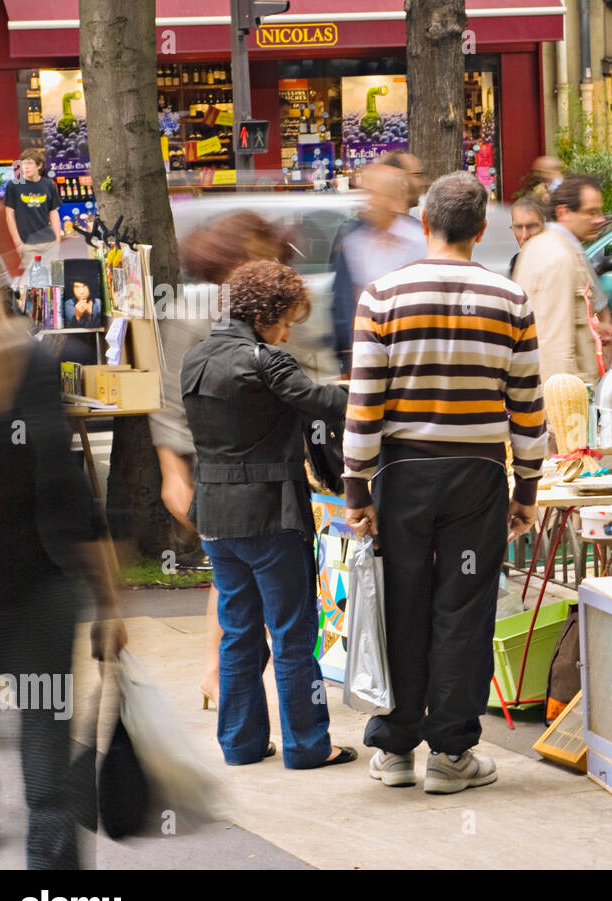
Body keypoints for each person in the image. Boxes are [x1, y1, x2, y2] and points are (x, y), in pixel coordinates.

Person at [342, 172, 548, 794]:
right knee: (464, 608)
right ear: (482, 231)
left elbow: (364, 404)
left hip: (402, 474)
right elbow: (528, 405)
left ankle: (397, 748)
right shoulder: (509, 299)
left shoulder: (380, 296)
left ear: (425, 222)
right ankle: (452, 756)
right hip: (478, 475)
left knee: (400, 604)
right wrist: (528, 491)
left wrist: (357, 491)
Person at [0, 203, 125, 864]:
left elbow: (67, 487)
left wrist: (109, 598)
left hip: (37, 591)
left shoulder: (32, 359)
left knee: (51, 782)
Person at [181, 260, 355, 770]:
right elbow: (325, 403)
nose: (288, 332)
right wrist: (372, 390)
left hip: (214, 515)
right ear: (266, 314)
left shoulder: (195, 358)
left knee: (238, 632)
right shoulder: (265, 362)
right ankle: (307, 746)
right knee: (293, 635)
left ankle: (241, 744)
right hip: (271, 517)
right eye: (287, 321)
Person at [156, 210, 296, 711]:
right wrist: (173, 473)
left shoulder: (274, 310)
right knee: (236, 576)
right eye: (252, 255)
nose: (263, 264)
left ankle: (226, 676)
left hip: (266, 466)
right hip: (217, 465)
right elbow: (170, 404)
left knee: (236, 575)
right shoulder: (194, 315)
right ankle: (222, 672)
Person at [513, 174, 612, 386]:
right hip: (565, 401)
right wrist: (566, 413)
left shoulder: (546, 247)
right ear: (563, 213)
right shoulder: (559, 257)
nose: (600, 219)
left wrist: (592, 331)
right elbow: (554, 346)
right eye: (591, 212)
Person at [330, 153, 428, 373]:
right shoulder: (353, 240)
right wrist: (347, 358)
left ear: (392, 198)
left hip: (410, 360)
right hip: (365, 360)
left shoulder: (419, 240)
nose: (368, 201)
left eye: (373, 193)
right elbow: (342, 304)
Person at [3, 149, 62, 266]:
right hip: (28, 244)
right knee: (35, 281)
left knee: (55, 279)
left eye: (29, 163)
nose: (26, 167)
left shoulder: (48, 184)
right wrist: (18, 243)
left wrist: (57, 239)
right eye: (23, 163)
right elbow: (9, 215)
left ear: (39, 165)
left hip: (49, 242)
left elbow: (53, 212)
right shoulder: (13, 186)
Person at [508, 193, 547, 275]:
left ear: (545, 226)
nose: (524, 235)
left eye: (531, 226)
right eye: (518, 227)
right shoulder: (516, 262)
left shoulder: (559, 262)